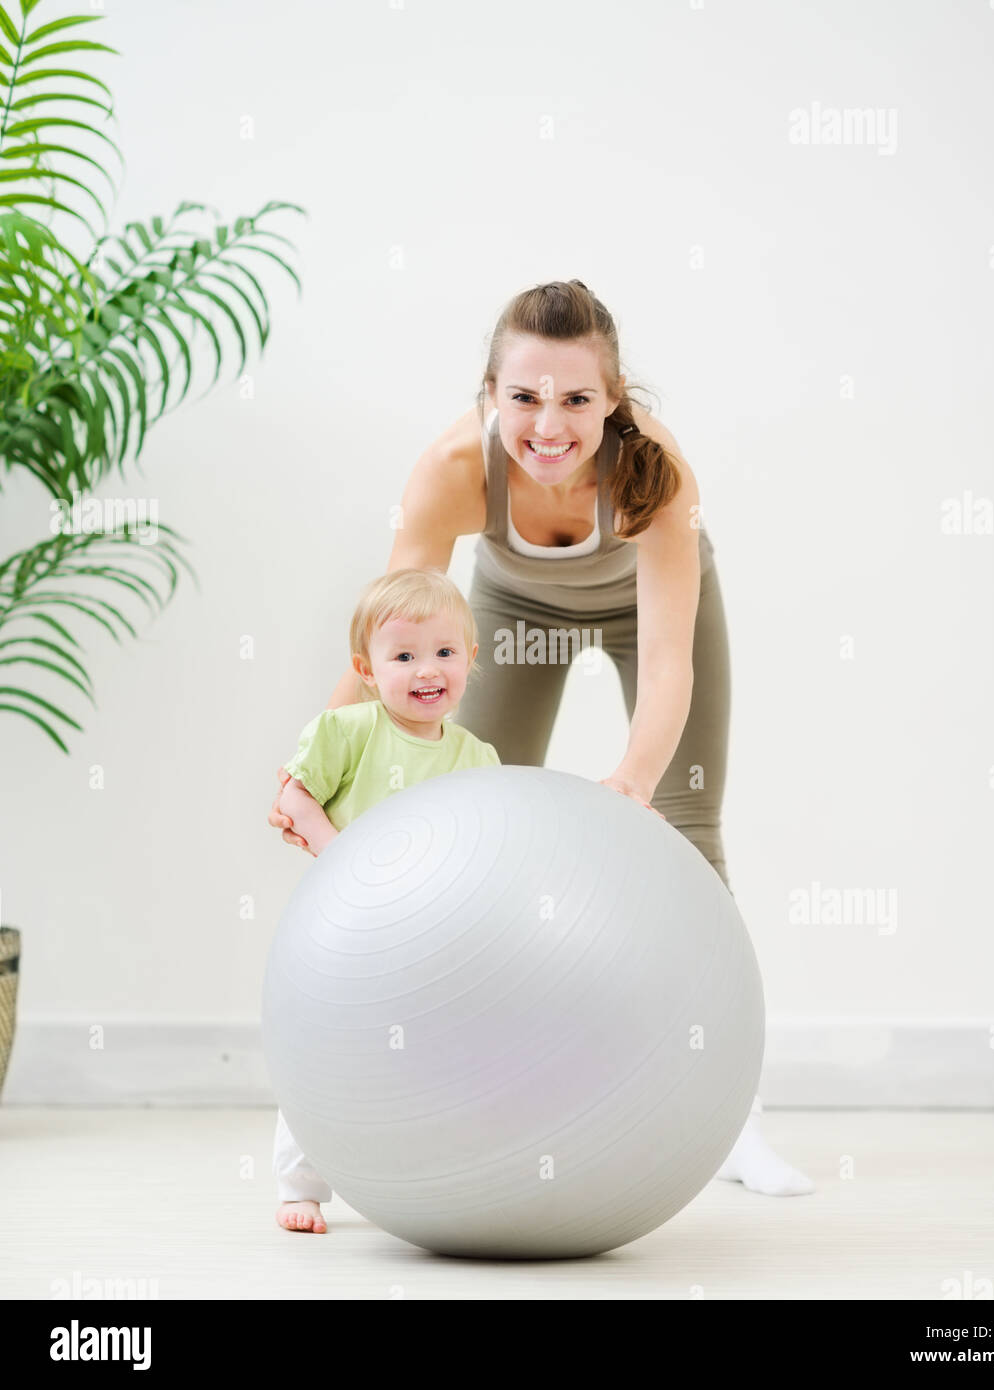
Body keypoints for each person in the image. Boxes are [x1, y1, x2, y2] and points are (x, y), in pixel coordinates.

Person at [270, 278, 812, 1213]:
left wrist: (634, 782)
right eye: (523, 397)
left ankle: (733, 1120)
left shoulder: (656, 471)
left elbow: (671, 665)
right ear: (489, 396)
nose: (547, 424)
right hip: (514, 610)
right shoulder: (451, 468)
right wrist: (314, 766)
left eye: (574, 399)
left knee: (685, 823)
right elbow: (388, 641)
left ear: (613, 401)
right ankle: (471, 1080)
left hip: (649, 617)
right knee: (456, 819)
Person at [273, 568, 501, 1233]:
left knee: (430, 1061)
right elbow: (292, 795)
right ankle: (300, 1185)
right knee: (327, 1056)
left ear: (470, 659)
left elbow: (486, 838)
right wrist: (336, 849)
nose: (425, 670)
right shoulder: (346, 731)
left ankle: (430, 1180)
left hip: (429, 938)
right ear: (366, 670)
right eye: (402, 656)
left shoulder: (475, 755)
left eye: (443, 653)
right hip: (346, 930)